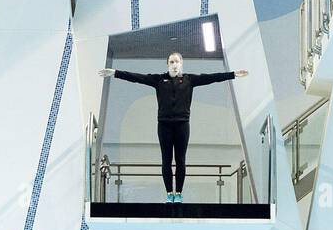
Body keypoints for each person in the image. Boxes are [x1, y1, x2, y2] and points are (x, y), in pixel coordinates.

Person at [100, 52, 248, 203]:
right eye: (171, 62)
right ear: (168, 65)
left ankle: (179, 193)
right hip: (164, 125)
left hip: (182, 124)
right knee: (166, 160)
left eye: (177, 62)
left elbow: (211, 78)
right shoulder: (159, 80)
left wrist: (233, 74)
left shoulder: (189, 80)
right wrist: (115, 73)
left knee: (180, 160)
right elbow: (137, 77)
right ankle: (169, 193)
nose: (174, 64)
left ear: (181, 64)